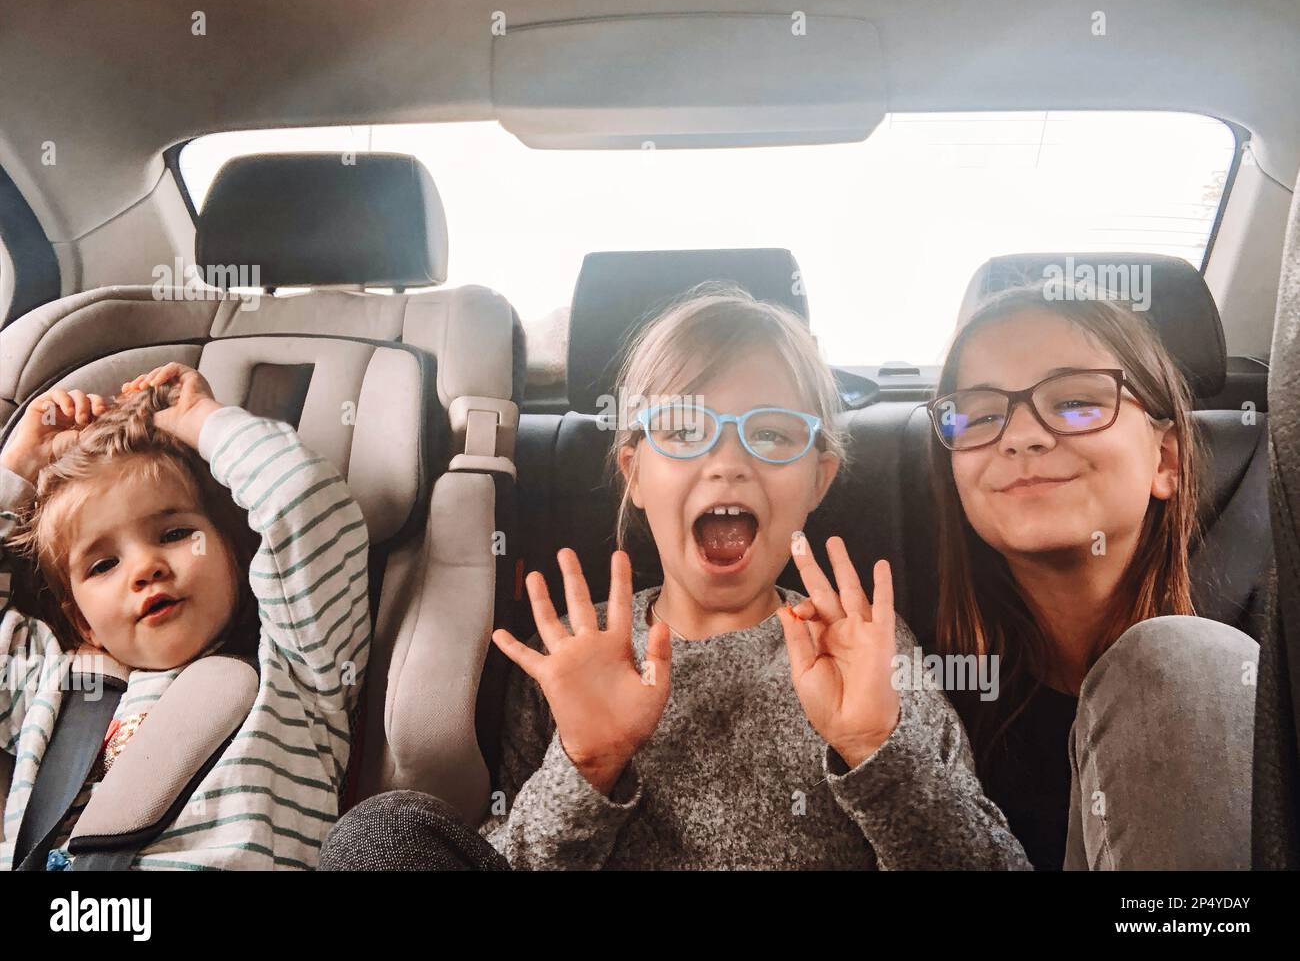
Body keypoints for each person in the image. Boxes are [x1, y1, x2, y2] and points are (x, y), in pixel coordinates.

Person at [321, 287, 1029, 870]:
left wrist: (877, 748)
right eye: (685, 430)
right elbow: (518, 861)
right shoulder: (579, 654)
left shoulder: (866, 648)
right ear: (635, 474)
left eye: (773, 433)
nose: (729, 461)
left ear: (819, 480)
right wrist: (586, 765)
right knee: (384, 833)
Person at [927, 282, 1258, 870]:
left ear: (1167, 460)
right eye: (980, 415)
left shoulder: (1264, 650)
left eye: (1076, 403)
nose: (1022, 436)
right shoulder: (925, 693)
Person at [0, 362, 370, 869]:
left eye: (174, 534)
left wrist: (202, 420)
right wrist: (16, 470)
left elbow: (301, 500)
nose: (145, 568)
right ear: (82, 619)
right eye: (104, 564)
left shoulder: (295, 668)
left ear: (235, 555)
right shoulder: (50, 686)